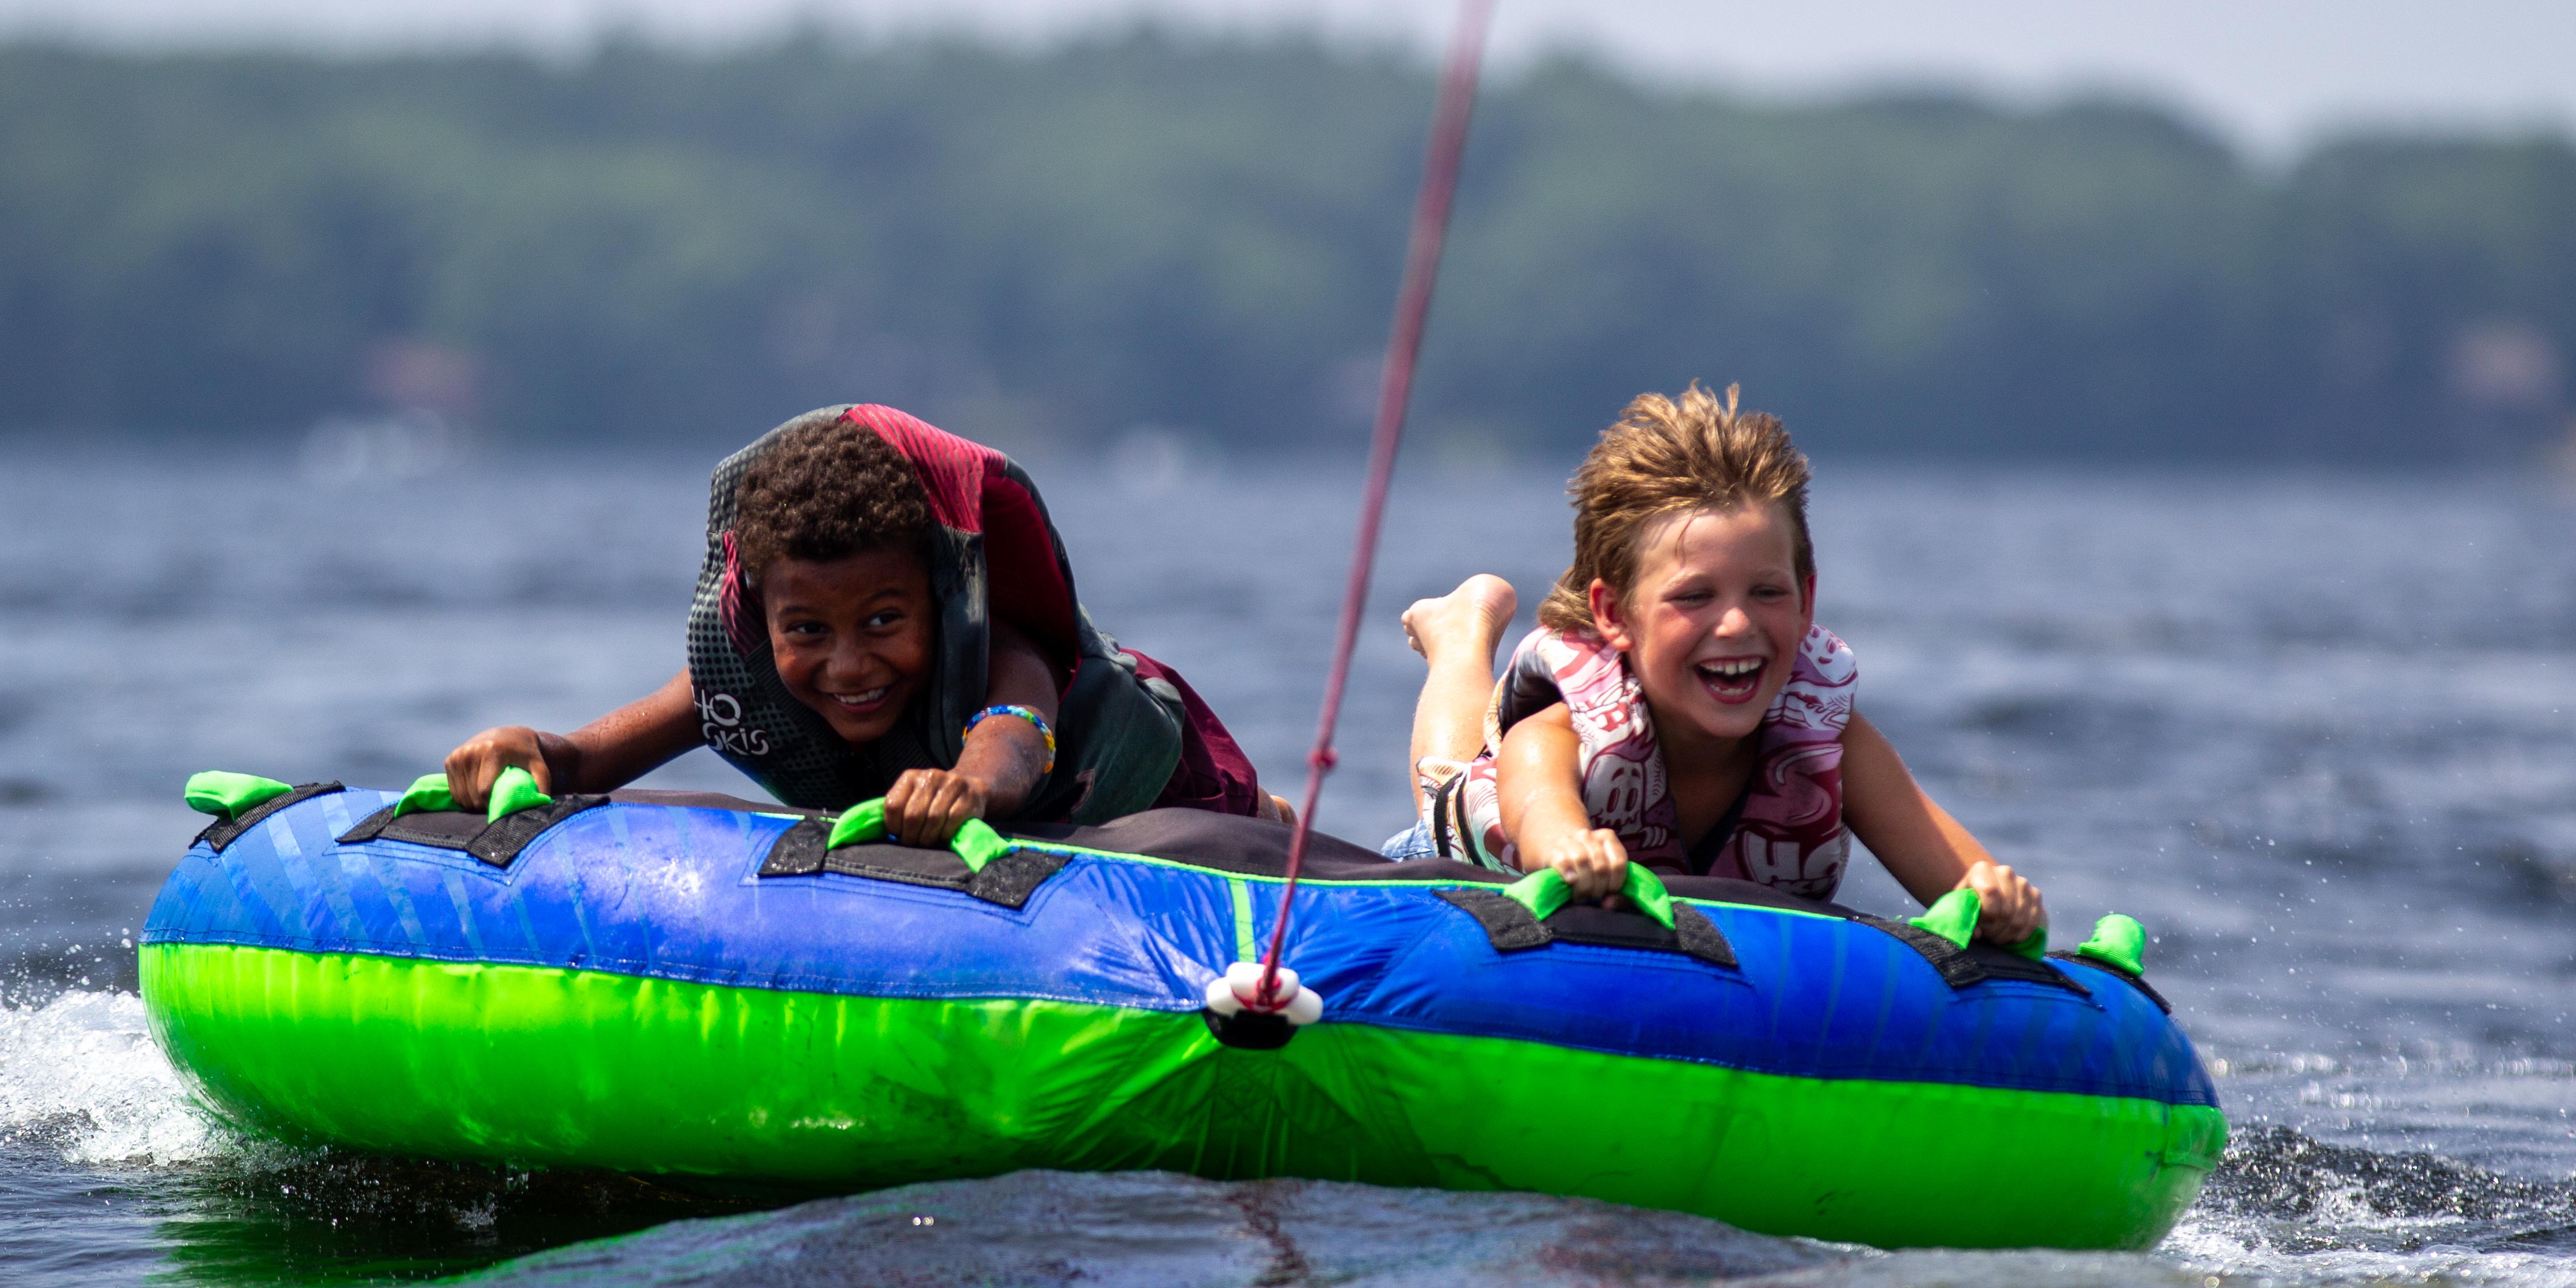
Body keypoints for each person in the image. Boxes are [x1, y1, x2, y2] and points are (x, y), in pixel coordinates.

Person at [1390, 384, 2046, 942]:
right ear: (1614, 614)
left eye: (1767, 593)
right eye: (1694, 597)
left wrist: (1994, 900)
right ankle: (1460, 634)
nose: (1737, 624)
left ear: (1806, 599)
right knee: (1452, 777)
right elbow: (1539, 811)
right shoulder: (1556, 735)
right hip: (1470, 855)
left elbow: (1961, 879)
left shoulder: (1828, 737)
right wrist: (1567, 848)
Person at [442, 404, 1278, 841]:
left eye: (883, 620)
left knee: (1252, 827)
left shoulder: (1004, 653)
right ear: (764, 618)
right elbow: (583, 760)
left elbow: (1015, 737)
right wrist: (528, 749)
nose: (847, 665)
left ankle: (1275, 816)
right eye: (807, 631)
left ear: (937, 599)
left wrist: (970, 787)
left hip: (1172, 800)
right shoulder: (736, 679)